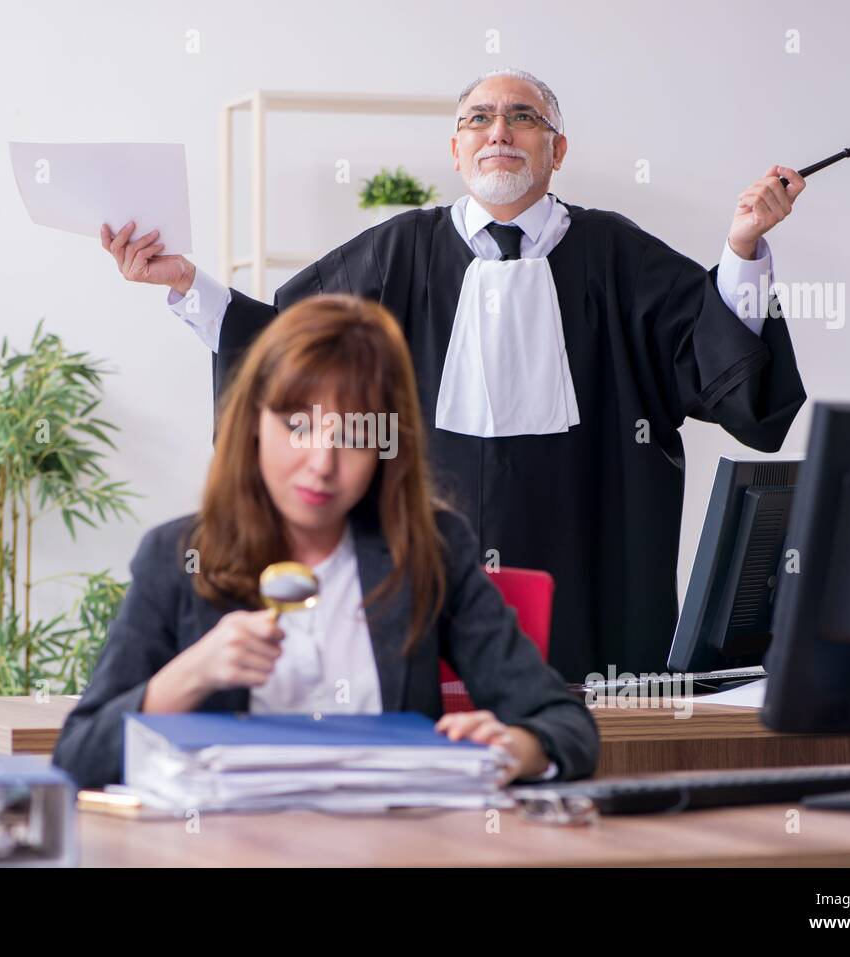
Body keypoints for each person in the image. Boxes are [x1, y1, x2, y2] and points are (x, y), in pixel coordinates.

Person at [101, 68, 807, 681]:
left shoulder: (615, 253)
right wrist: (189, 284)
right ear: (456, 148)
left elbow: (718, 362)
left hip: (593, 556)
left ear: (557, 150)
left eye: (522, 117)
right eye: (478, 118)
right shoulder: (398, 251)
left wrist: (743, 246)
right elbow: (287, 344)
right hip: (422, 552)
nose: (498, 129)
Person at [52, 295, 598, 790]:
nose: (321, 463)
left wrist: (515, 749)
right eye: (296, 425)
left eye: (355, 436)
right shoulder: (174, 557)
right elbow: (77, 757)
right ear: (253, 424)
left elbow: (565, 725)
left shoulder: (430, 550)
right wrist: (193, 673)